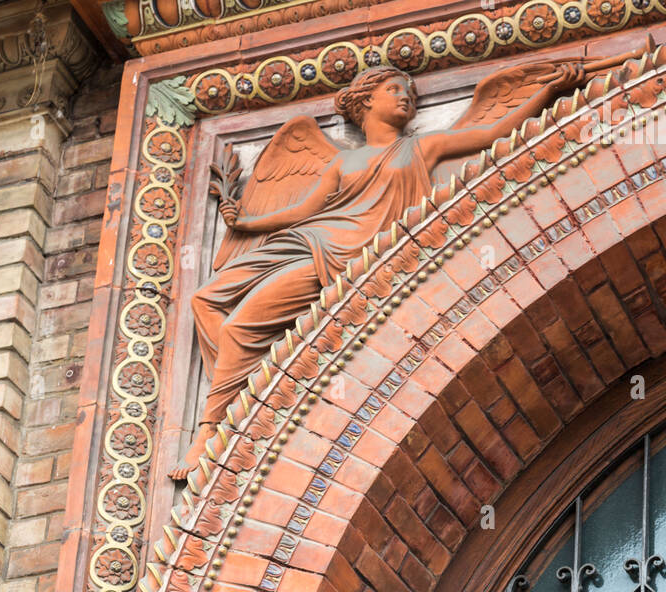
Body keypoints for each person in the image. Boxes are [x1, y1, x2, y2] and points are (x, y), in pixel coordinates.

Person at [172, 60, 586, 482]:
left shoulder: (422, 147)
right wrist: (243, 223)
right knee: (213, 305)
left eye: (410, 90)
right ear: (367, 100)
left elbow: (492, 133)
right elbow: (302, 211)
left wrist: (549, 91)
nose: (406, 96)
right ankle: (235, 412)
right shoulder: (340, 163)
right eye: (394, 89)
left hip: (371, 258)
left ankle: (216, 428)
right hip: (320, 249)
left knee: (241, 329)